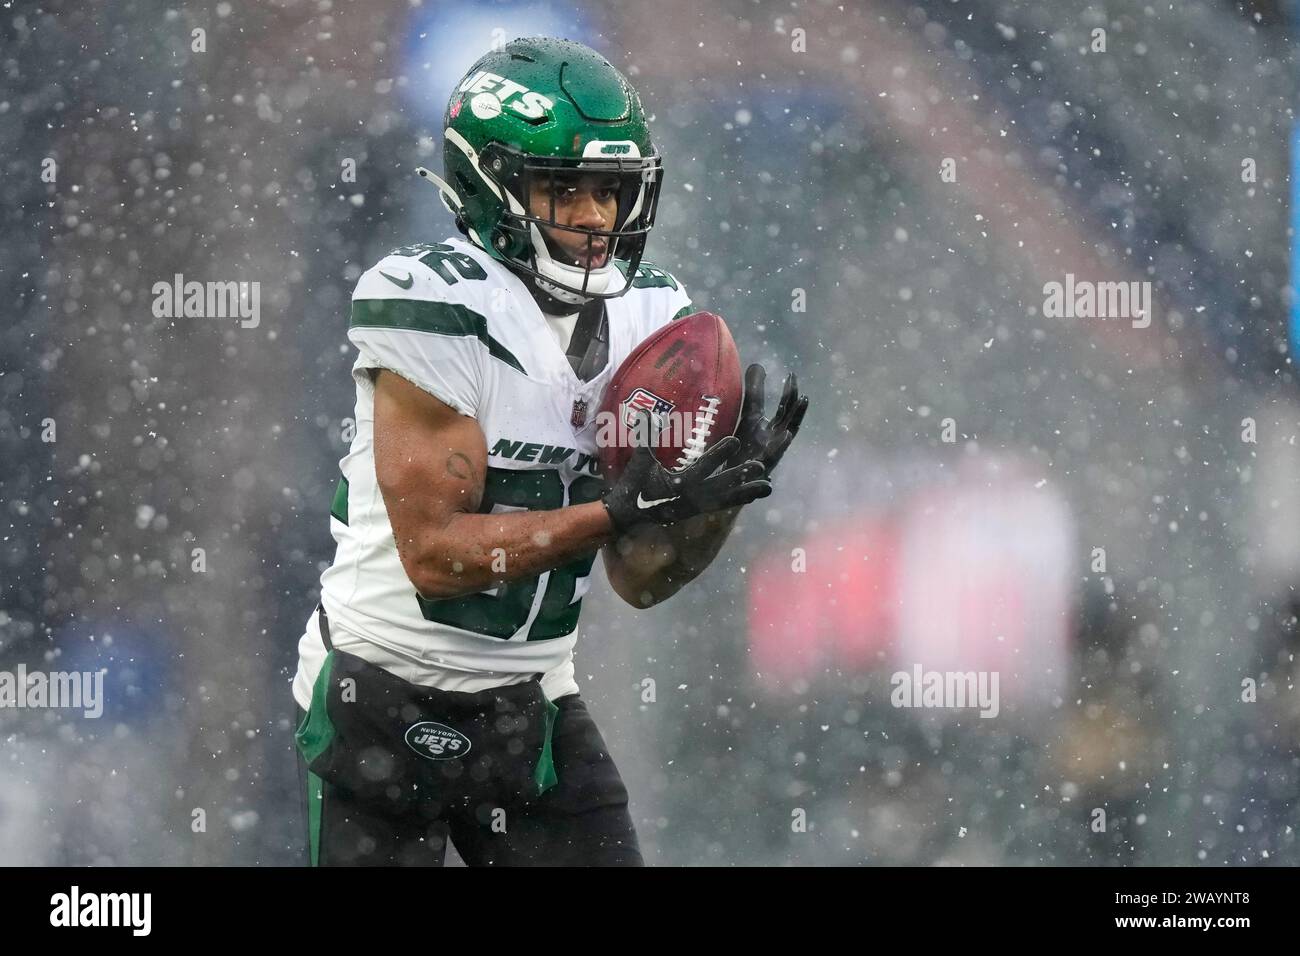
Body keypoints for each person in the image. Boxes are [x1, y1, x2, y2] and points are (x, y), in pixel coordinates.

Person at [291, 36, 808, 866]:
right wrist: (610, 511)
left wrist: (708, 507)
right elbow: (434, 557)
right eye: (564, 191)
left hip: (527, 699)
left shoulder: (655, 319)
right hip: (377, 686)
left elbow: (640, 580)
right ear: (488, 185)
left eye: (610, 191)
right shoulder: (433, 300)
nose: (596, 218)